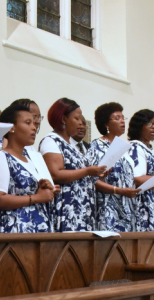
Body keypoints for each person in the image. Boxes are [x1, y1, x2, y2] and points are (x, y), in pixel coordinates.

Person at [0, 101, 59, 233]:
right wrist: (36, 198)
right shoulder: (1, 157)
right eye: (28, 123)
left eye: (34, 123)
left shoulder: (29, 159)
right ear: (11, 128)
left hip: (38, 229)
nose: (34, 127)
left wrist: (44, 186)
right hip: (17, 230)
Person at [38, 98, 106, 231]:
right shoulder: (51, 141)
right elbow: (55, 173)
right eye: (77, 118)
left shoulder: (72, 145)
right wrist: (87, 171)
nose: (81, 122)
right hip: (67, 209)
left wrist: (96, 173)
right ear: (63, 119)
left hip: (84, 209)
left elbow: (81, 173)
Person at [88, 103, 138, 232]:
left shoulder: (124, 148)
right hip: (108, 209)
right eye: (117, 118)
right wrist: (119, 190)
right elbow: (92, 180)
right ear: (106, 124)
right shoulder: (97, 146)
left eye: (123, 118)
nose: (122, 121)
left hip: (128, 208)